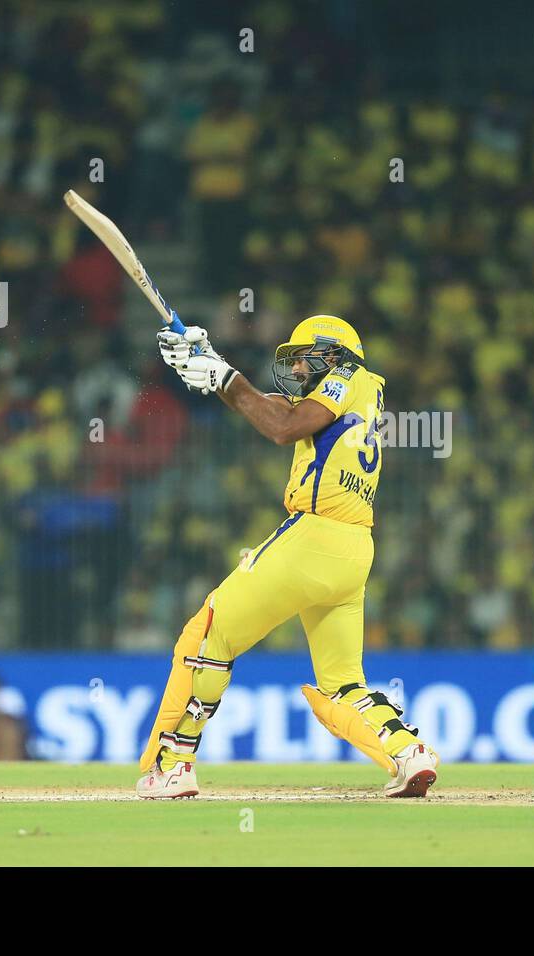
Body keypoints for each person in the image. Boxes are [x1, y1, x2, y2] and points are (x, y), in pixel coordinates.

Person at [135, 314, 438, 798]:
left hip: (314, 537)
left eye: (303, 356)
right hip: (355, 547)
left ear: (332, 354)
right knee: (342, 684)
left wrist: (225, 379)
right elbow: (274, 408)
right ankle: (406, 751)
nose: (296, 367)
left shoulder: (347, 376)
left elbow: (283, 426)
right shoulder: (360, 392)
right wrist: (215, 368)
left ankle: (173, 763)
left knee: (209, 634)